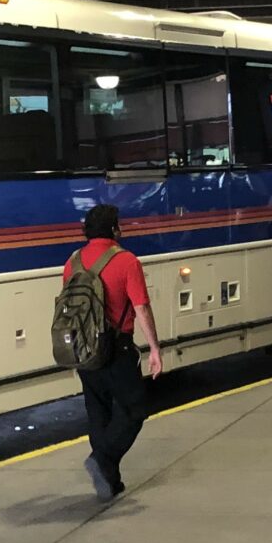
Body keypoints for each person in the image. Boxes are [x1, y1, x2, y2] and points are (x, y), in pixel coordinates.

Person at [64, 204, 164, 499]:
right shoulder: (126, 261)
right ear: (114, 229)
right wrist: (154, 349)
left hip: (84, 350)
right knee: (134, 409)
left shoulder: (72, 262)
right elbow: (141, 308)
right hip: (117, 348)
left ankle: (110, 481)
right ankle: (102, 459)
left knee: (98, 413)